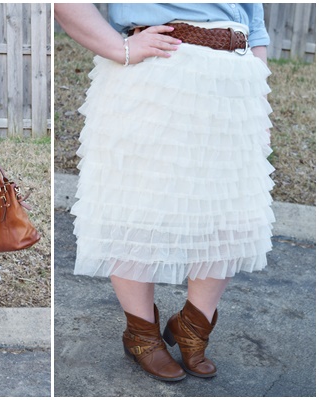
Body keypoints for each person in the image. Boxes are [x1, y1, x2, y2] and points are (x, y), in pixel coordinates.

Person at [55, 4, 274, 381]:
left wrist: (259, 93)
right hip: (158, 71)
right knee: (138, 209)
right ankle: (141, 334)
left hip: (235, 82)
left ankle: (193, 327)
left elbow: (254, 21)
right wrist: (120, 48)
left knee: (230, 213)